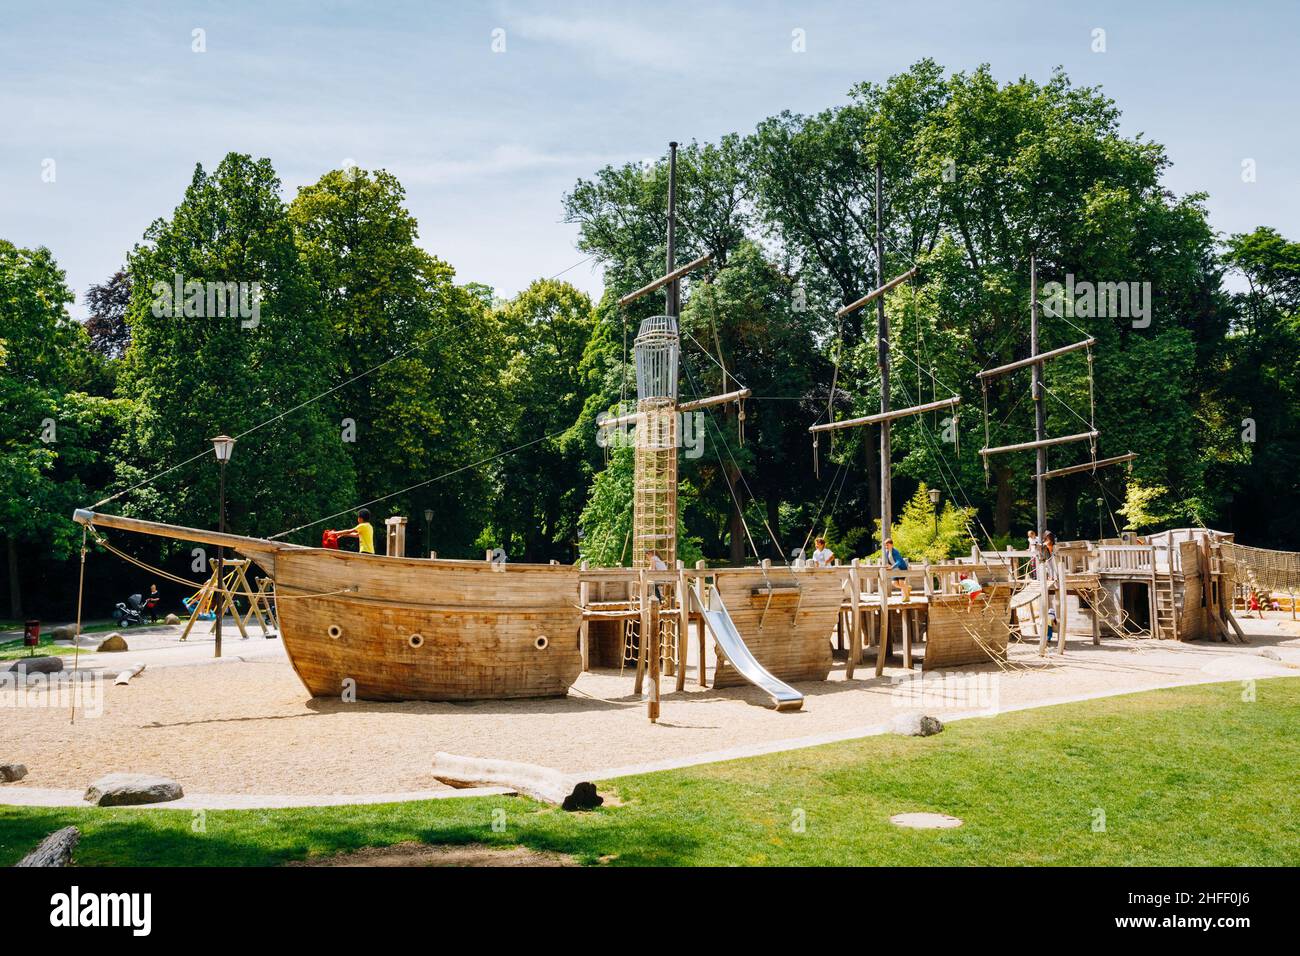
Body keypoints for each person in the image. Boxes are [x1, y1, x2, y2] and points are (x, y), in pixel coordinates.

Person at [882, 537, 911, 603]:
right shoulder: (887, 552)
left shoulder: (895, 552)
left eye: (887, 545)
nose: (886, 546)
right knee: (894, 583)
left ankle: (907, 598)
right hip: (895, 569)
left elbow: (899, 562)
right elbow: (890, 561)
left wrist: (892, 567)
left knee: (901, 583)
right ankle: (907, 588)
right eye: (885, 545)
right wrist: (888, 566)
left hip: (901, 568)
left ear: (891, 545)